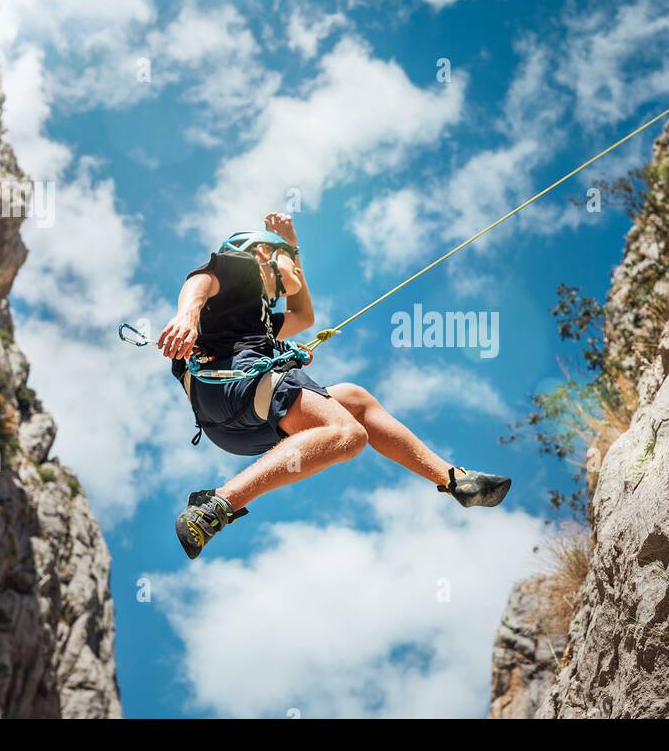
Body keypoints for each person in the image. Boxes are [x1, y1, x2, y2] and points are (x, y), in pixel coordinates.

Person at [158, 213, 512, 559]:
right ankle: (218, 504)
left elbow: (304, 317)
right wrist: (187, 314)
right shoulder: (242, 266)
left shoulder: (258, 317)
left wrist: (291, 250)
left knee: (354, 398)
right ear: (262, 254)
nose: (296, 270)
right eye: (289, 262)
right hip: (237, 386)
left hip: (232, 422)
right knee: (348, 434)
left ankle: (454, 480)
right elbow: (202, 279)